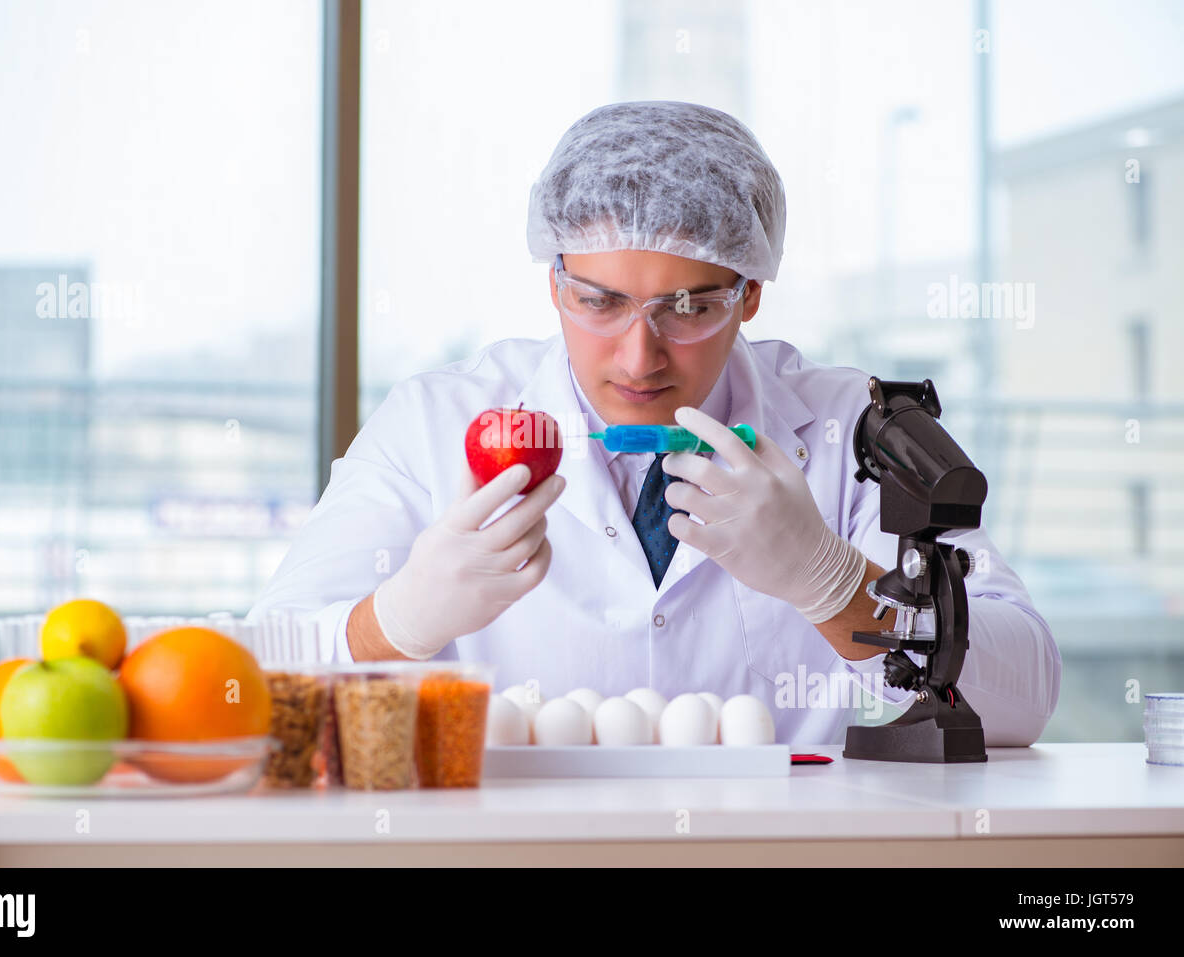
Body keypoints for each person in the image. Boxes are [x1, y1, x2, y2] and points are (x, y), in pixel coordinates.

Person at [249, 100, 1061, 747]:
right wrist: (394, 621)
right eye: (599, 301)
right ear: (555, 281)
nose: (639, 357)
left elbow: (1025, 695)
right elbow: (253, 681)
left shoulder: (854, 426)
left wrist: (836, 583)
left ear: (750, 293)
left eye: (689, 306)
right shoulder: (432, 423)